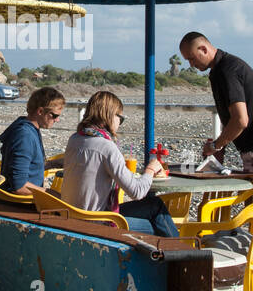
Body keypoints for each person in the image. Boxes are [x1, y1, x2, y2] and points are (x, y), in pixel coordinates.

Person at [61, 91, 178, 237]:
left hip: (72, 216)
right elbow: (137, 191)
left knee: (155, 206)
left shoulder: (75, 139)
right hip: (97, 221)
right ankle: (180, 254)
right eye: (119, 118)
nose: (119, 123)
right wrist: (150, 169)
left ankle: (176, 253)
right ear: (109, 115)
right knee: (157, 221)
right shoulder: (106, 147)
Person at [179, 32, 253, 178]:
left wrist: (216, 146)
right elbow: (231, 116)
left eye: (191, 58)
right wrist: (220, 143)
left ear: (203, 49)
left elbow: (240, 120)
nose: (191, 64)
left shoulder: (227, 71)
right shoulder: (220, 68)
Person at [0, 87, 65, 194]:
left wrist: (55, 163)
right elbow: (19, 185)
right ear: (40, 111)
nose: (57, 120)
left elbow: (30, 167)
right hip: (19, 204)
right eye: (54, 115)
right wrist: (51, 194)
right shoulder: (24, 135)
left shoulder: (27, 128)